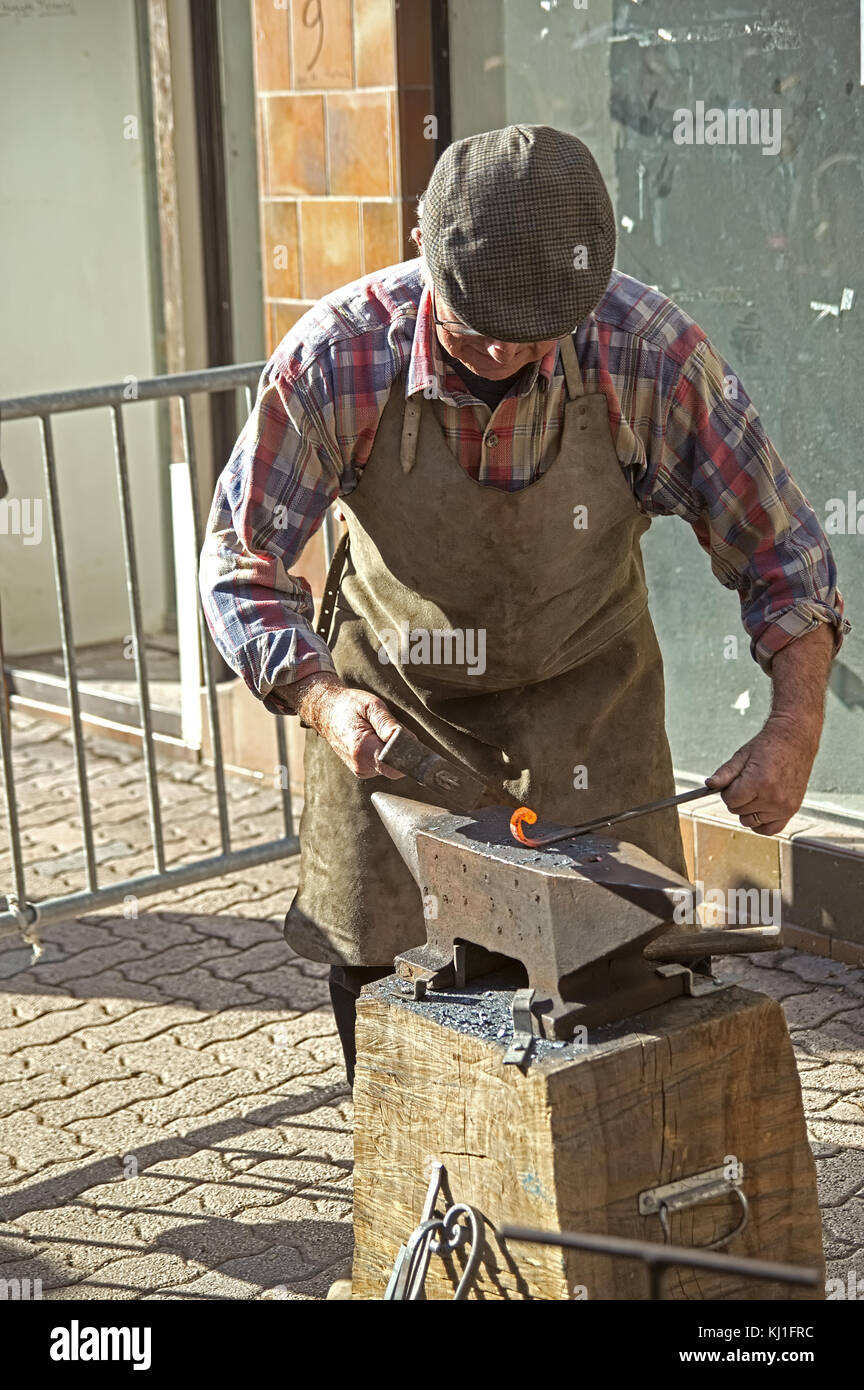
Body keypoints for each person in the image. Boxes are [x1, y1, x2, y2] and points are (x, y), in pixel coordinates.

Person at [200, 125, 848, 1087]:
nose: (503, 350)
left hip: (593, 716)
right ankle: (424, 1211)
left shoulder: (650, 356)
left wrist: (793, 730)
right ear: (426, 255)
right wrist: (325, 701)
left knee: (622, 983)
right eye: (479, 322)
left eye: (533, 329)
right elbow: (240, 562)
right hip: (397, 722)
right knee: (388, 984)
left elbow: (784, 553)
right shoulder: (337, 359)